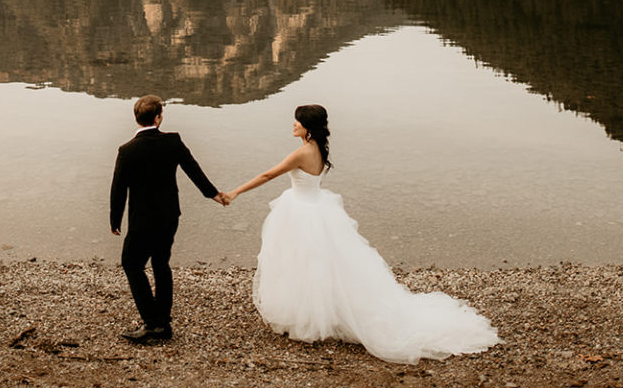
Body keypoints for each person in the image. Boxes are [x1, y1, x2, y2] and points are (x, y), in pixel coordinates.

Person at [223, 104, 500, 364]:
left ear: (308, 127)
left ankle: (308, 318)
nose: (294, 124)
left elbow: (267, 176)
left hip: (303, 212)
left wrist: (234, 192)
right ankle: (319, 314)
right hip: (318, 208)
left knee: (304, 263)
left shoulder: (300, 153)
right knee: (322, 264)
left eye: (299, 121)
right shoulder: (318, 149)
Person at [109, 94, 228, 342]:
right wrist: (214, 194)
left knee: (132, 265)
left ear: (137, 118)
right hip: (169, 216)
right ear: (158, 118)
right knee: (161, 265)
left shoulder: (127, 150)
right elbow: (193, 170)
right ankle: (162, 323)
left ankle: (154, 323)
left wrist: (115, 220)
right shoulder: (173, 142)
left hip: (142, 220)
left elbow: (118, 188)